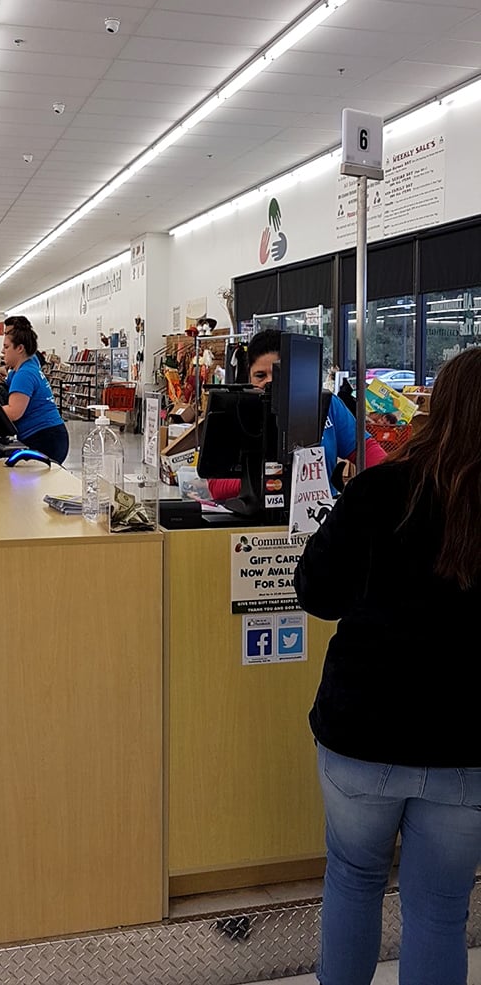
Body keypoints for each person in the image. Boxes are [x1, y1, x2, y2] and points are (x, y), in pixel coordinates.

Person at [293, 347, 481, 985]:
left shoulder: (379, 489)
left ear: (439, 408)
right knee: (439, 909)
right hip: (466, 745)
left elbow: (316, 592)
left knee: (353, 879)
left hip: (361, 733)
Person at [208, 329, 385, 503]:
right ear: (249, 376)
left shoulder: (327, 405)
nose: (269, 382)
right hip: (254, 522)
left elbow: (368, 451)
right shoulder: (236, 411)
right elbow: (217, 486)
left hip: (320, 516)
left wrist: (396, 478)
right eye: (260, 375)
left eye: (278, 374)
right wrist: (271, 479)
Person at [1, 318, 69, 463]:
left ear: (20, 348)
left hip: (45, 438)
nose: (2, 351)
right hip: (51, 434)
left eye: (6, 347)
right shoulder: (26, 367)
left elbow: (13, 412)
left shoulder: (24, 374)